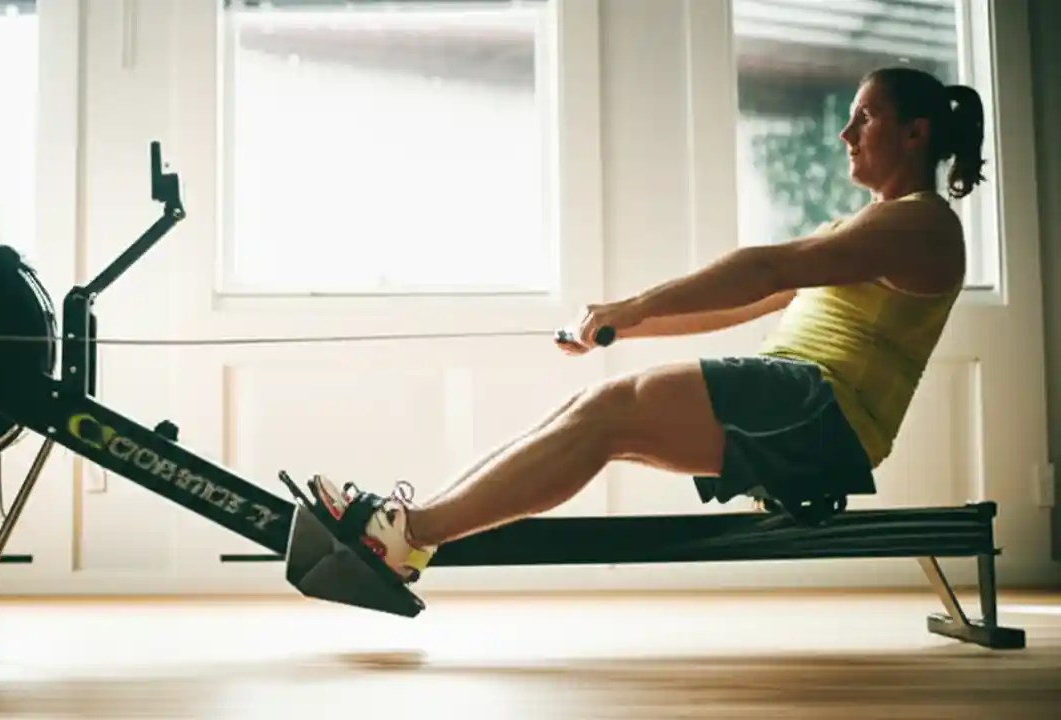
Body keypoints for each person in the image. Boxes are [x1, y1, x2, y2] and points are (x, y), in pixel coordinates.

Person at [309, 66, 988, 584]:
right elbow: (744, 305)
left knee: (608, 413)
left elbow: (766, 270)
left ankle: (405, 536)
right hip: (803, 405)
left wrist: (633, 306)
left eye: (863, 118)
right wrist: (625, 328)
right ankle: (409, 531)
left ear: (915, 133)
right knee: (595, 411)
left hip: (821, 411)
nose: (844, 136)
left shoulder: (920, 224)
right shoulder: (872, 227)